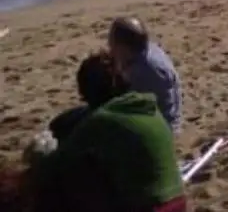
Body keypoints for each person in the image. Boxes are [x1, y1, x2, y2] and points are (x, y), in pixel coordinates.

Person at [26, 52, 186, 212]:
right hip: (177, 203)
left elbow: (57, 163)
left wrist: (40, 151)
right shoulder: (145, 106)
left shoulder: (102, 121)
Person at [107, 17, 183, 132]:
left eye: (113, 44)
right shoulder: (142, 52)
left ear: (124, 47)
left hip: (160, 126)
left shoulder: (146, 70)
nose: (110, 48)